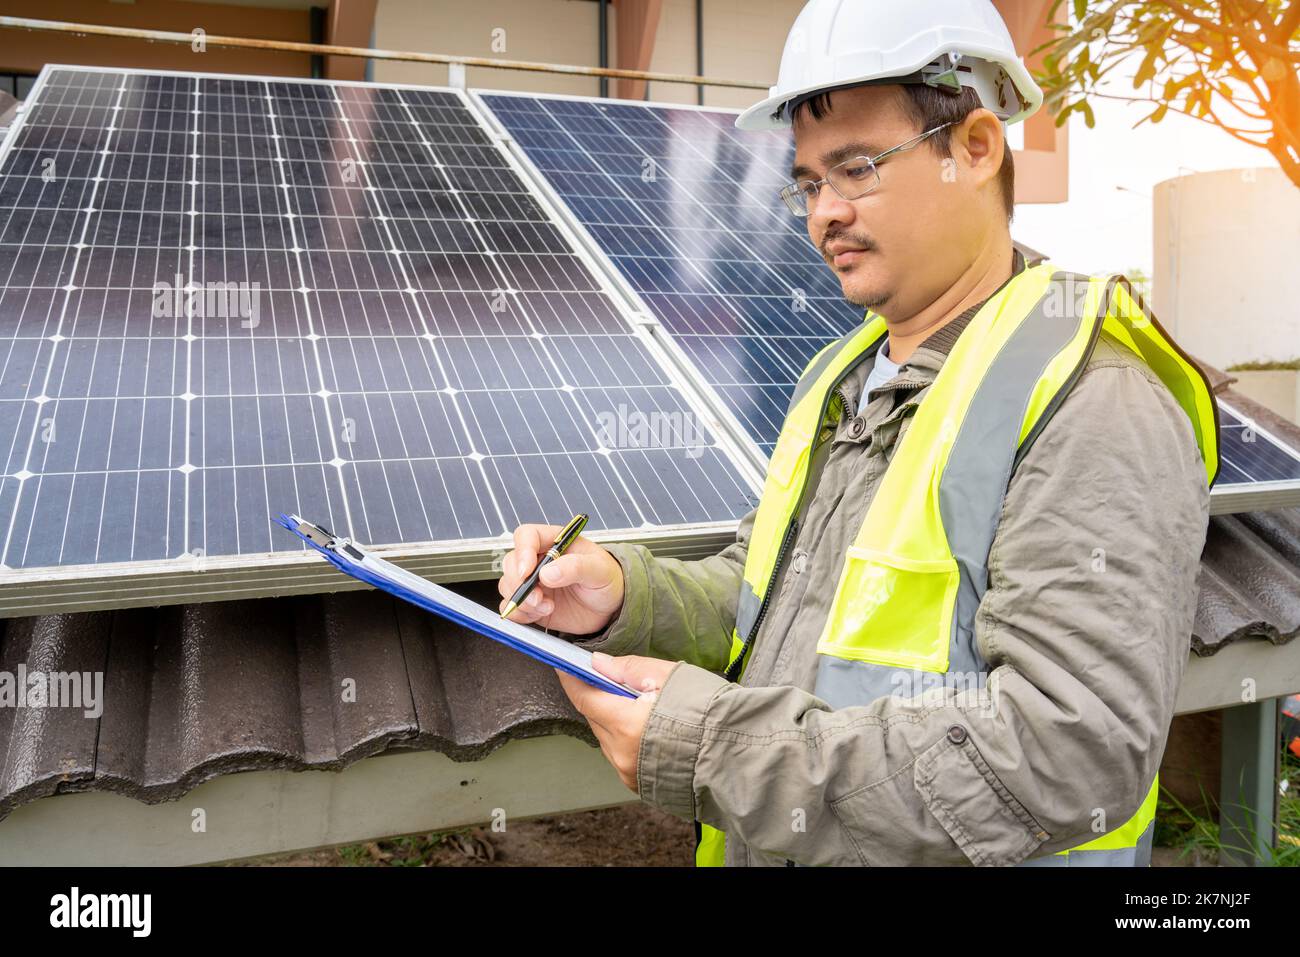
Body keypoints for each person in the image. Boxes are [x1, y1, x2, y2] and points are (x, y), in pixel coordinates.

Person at [496, 0, 1219, 866]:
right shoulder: (839, 375)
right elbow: (772, 599)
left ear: (976, 149)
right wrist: (623, 594)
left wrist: (717, 747)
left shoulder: (1095, 400)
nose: (822, 214)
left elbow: (1070, 750)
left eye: (857, 168)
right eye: (808, 182)